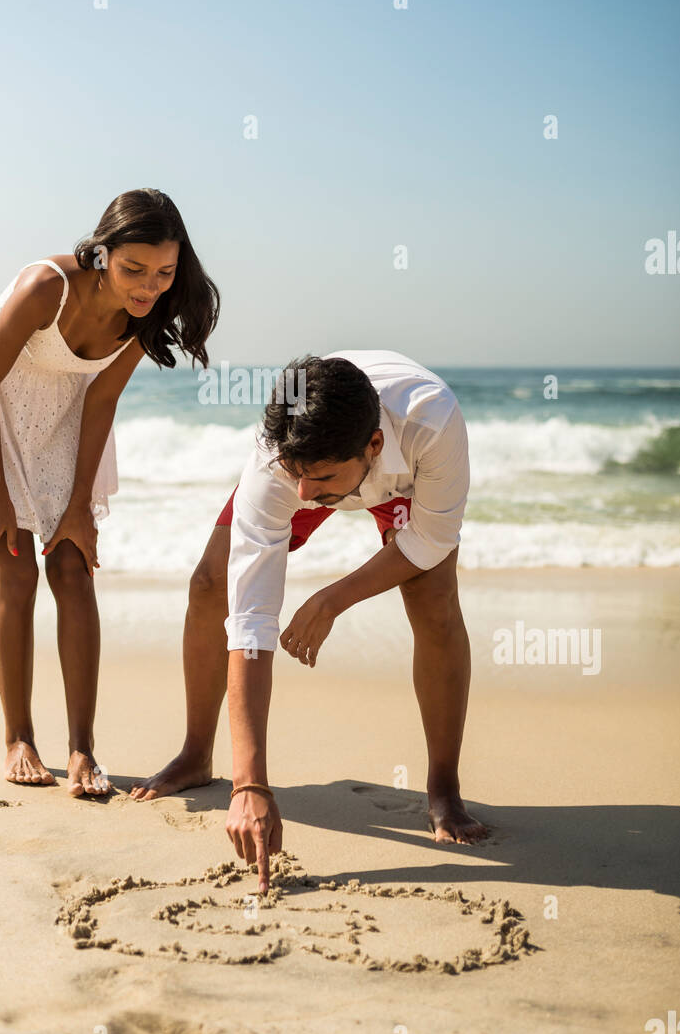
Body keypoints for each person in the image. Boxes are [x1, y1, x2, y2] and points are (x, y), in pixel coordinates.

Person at [132, 350, 486, 889]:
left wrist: (331, 599)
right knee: (210, 583)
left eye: (317, 480)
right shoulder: (282, 463)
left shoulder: (431, 421)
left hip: (403, 482)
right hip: (320, 455)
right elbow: (250, 615)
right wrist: (250, 784)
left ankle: (443, 788)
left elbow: (432, 540)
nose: (303, 497)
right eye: (295, 477)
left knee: (433, 602)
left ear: (372, 446)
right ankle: (196, 754)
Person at [0, 188, 218, 796]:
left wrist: (80, 503)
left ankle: (83, 748)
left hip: (66, 426)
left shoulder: (148, 312)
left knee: (76, 572)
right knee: (17, 571)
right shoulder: (44, 287)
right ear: (102, 252)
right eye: (134, 269)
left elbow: (101, 397)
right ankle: (18, 738)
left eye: (165, 273)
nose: (148, 286)